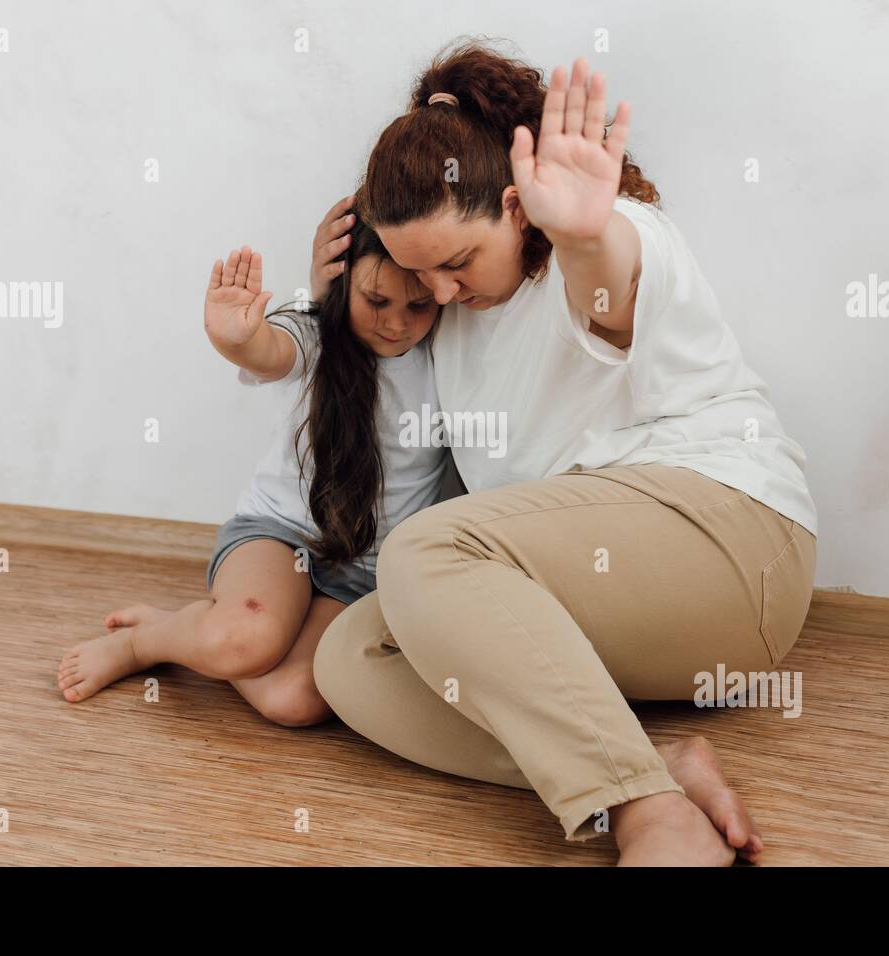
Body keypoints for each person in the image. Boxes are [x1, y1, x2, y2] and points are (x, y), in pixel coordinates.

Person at [311, 41, 818, 865]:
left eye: (455, 262)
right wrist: (334, 299)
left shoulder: (611, 241)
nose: (438, 292)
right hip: (614, 601)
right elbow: (372, 396)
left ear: (516, 208)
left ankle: (647, 814)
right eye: (415, 272)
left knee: (428, 549)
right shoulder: (454, 314)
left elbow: (608, 306)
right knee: (351, 655)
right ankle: (647, 769)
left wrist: (585, 238)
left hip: (733, 541)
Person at [57, 224, 448, 728]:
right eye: (376, 300)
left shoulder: (445, 356)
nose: (396, 323)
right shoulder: (314, 337)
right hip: (280, 537)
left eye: (417, 306)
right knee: (246, 641)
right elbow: (268, 351)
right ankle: (142, 642)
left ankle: (185, 627)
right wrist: (235, 339)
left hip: (365, 568)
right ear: (343, 282)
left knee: (294, 701)